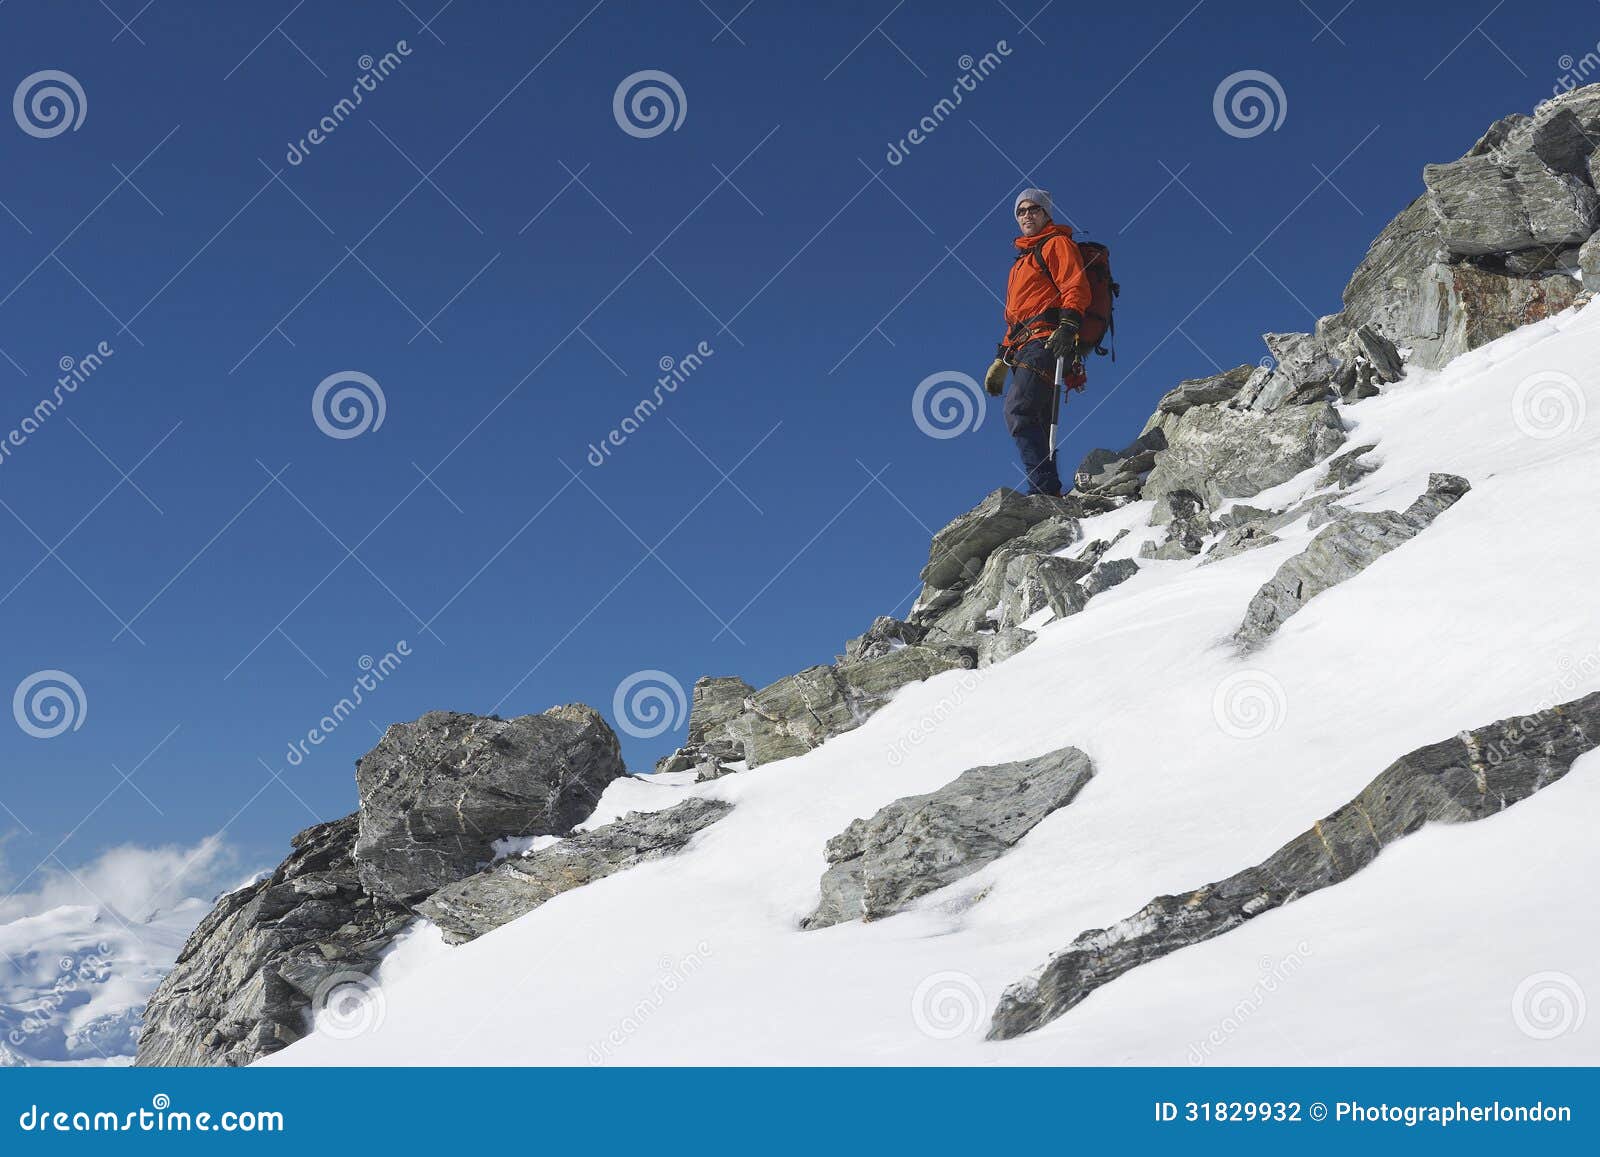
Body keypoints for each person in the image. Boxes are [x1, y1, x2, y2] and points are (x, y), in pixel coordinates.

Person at [984, 188, 1090, 497]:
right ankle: (1049, 492)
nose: (1027, 215)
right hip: (1023, 347)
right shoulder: (1020, 263)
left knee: (1019, 411)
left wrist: (1069, 325)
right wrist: (1001, 360)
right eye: (1021, 211)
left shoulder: (1056, 244)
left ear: (1046, 214)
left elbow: (1075, 285)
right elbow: (1016, 320)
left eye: (1034, 209)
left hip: (1047, 341)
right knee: (1038, 422)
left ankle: (1042, 491)